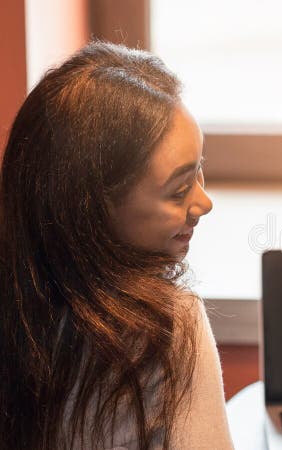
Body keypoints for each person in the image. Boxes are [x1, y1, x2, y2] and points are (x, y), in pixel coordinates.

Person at [0, 42, 234, 449]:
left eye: (200, 171)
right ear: (92, 210)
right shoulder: (171, 326)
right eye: (179, 189)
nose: (203, 203)